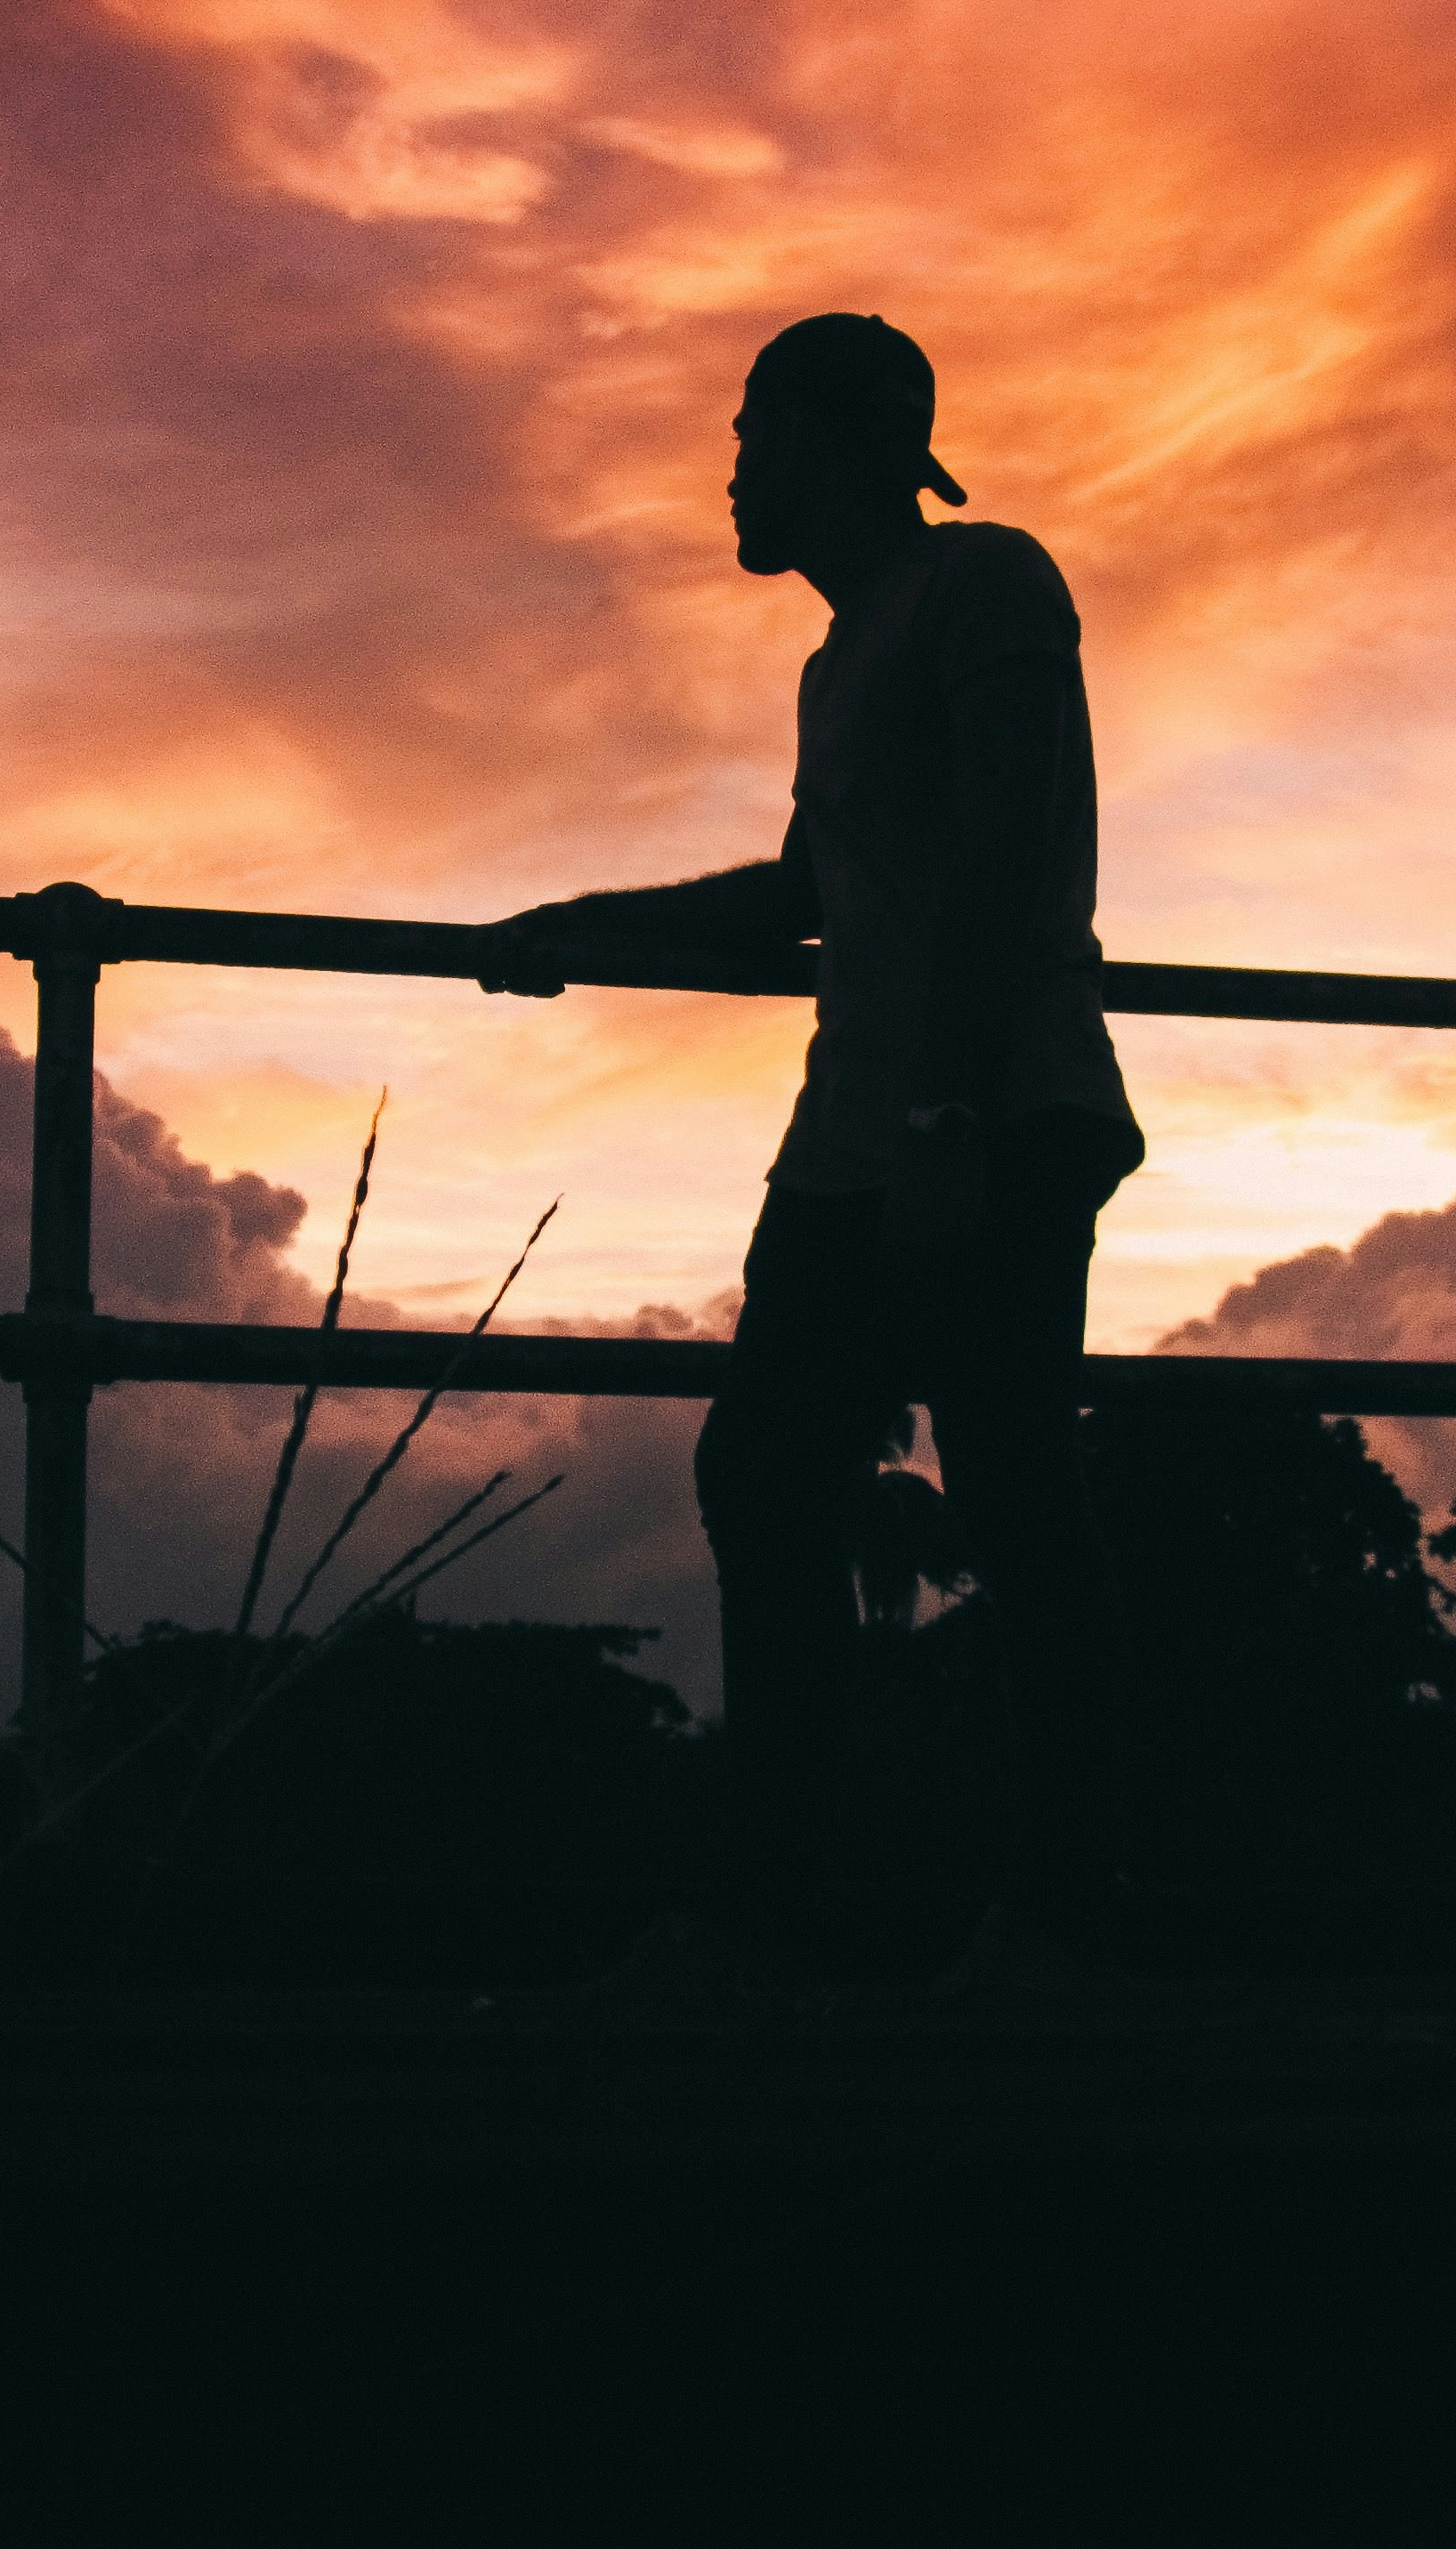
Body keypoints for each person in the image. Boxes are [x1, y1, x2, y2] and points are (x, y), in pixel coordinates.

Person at [481, 312, 1143, 1985]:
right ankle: (783, 1895)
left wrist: (948, 1113)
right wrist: (587, 925)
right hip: (854, 1137)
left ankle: (1066, 1902)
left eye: (752, 439)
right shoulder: (836, 659)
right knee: (769, 1477)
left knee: (1007, 1500)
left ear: (839, 447)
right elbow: (809, 892)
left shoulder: (987, 582)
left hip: (978, 1115)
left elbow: (1015, 848)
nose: (730, 478)